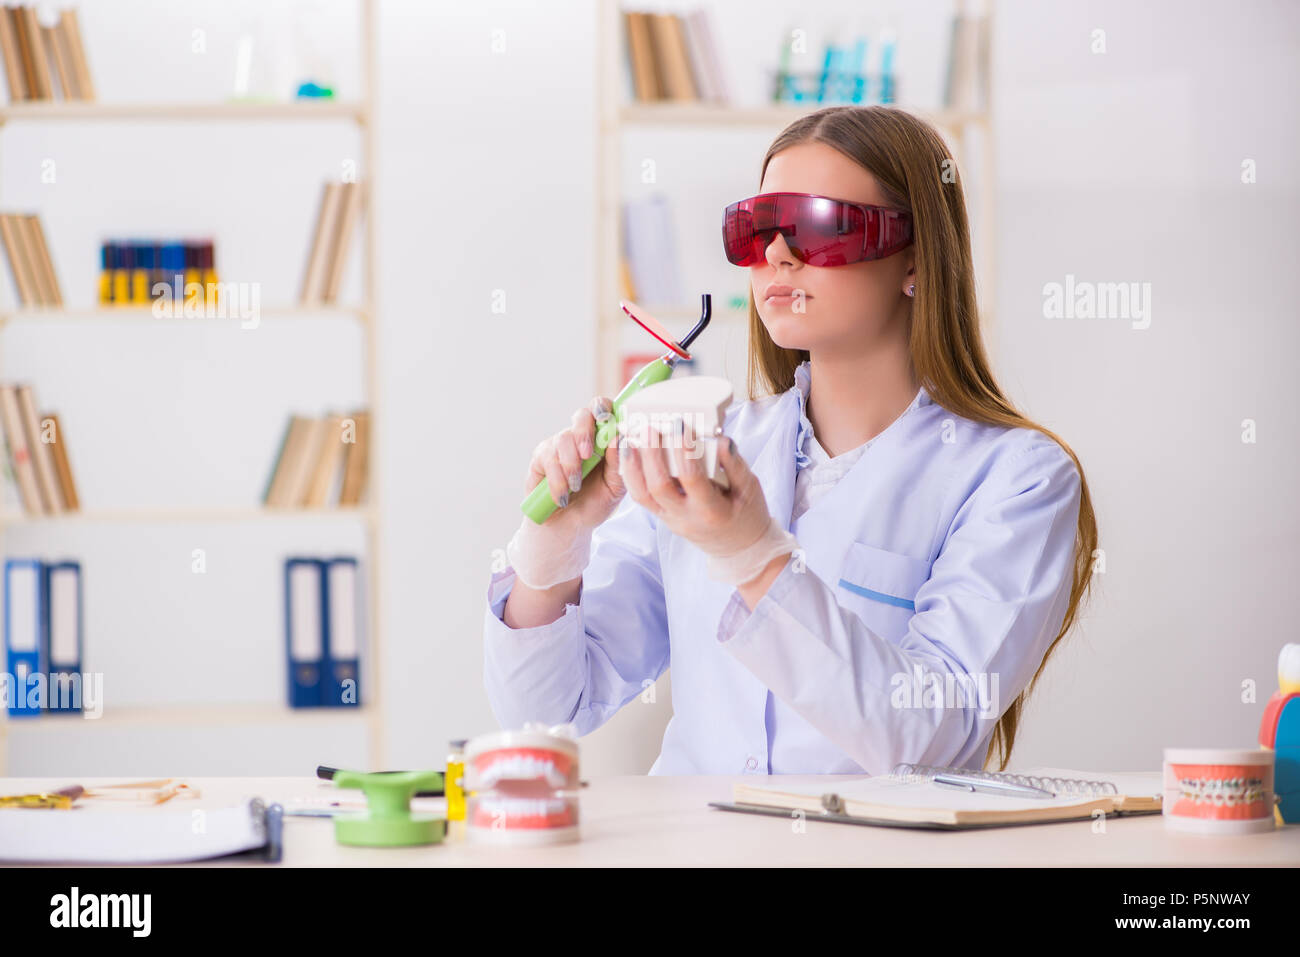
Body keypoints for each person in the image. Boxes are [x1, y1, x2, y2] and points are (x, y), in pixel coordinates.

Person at [482, 105, 1097, 776]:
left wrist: (752, 553)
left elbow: (928, 738)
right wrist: (554, 546)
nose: (777, 255)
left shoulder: (1019, 478)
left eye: (820, 226)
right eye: (757, 230)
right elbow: (547, 709)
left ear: (915, 260)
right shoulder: (706, 446)